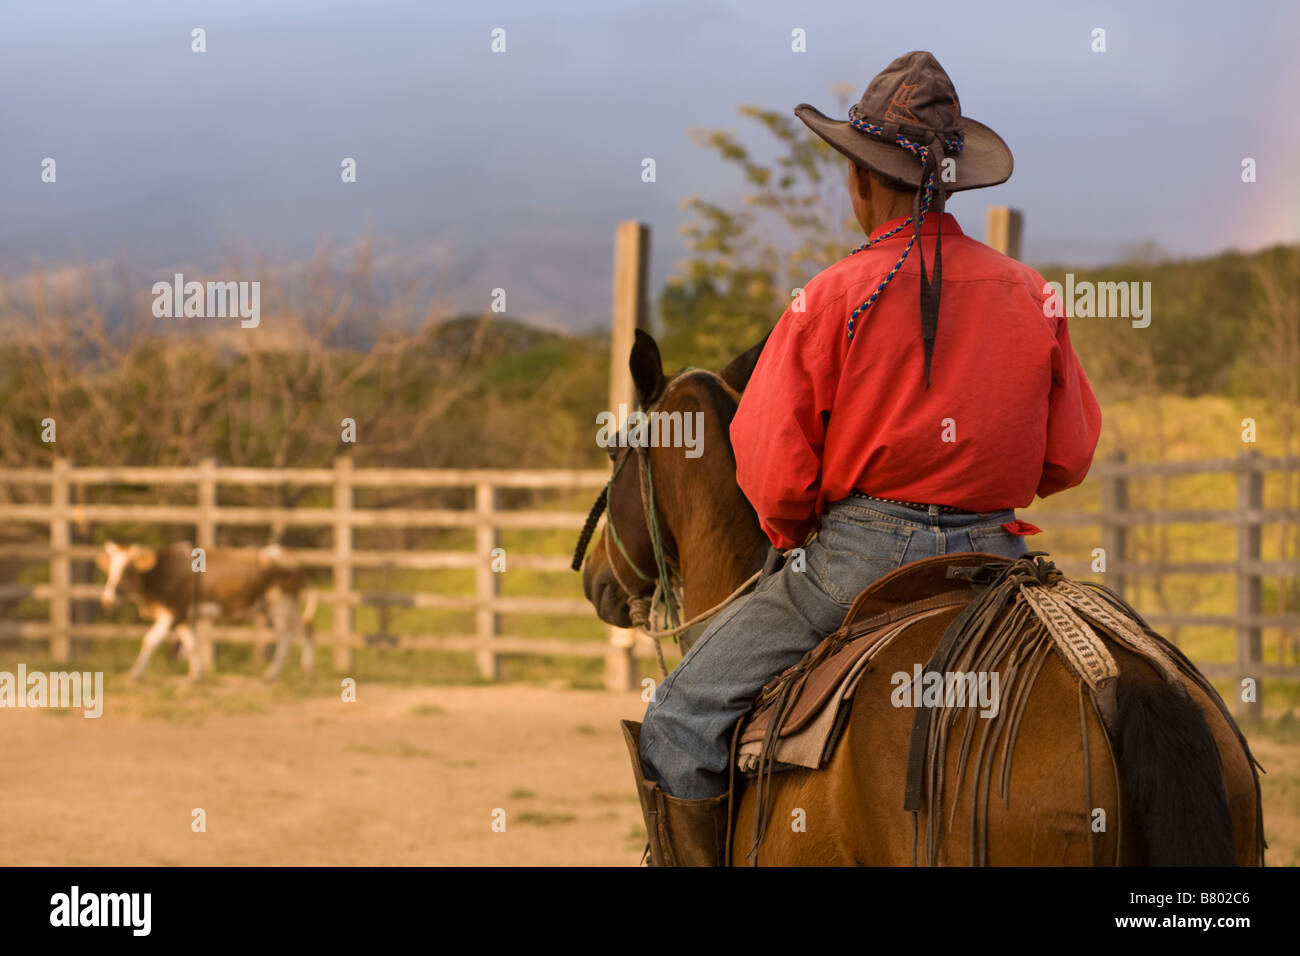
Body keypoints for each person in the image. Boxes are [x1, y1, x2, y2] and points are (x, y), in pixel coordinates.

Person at [628, 51, 1102, 866]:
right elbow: (1067, 456)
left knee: (679, 716)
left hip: (858, 561)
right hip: (999, 553)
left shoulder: (829, 298)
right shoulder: (1034, 294)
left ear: (859, 181)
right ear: (951, 184)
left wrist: (792, 535)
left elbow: (774, 474)